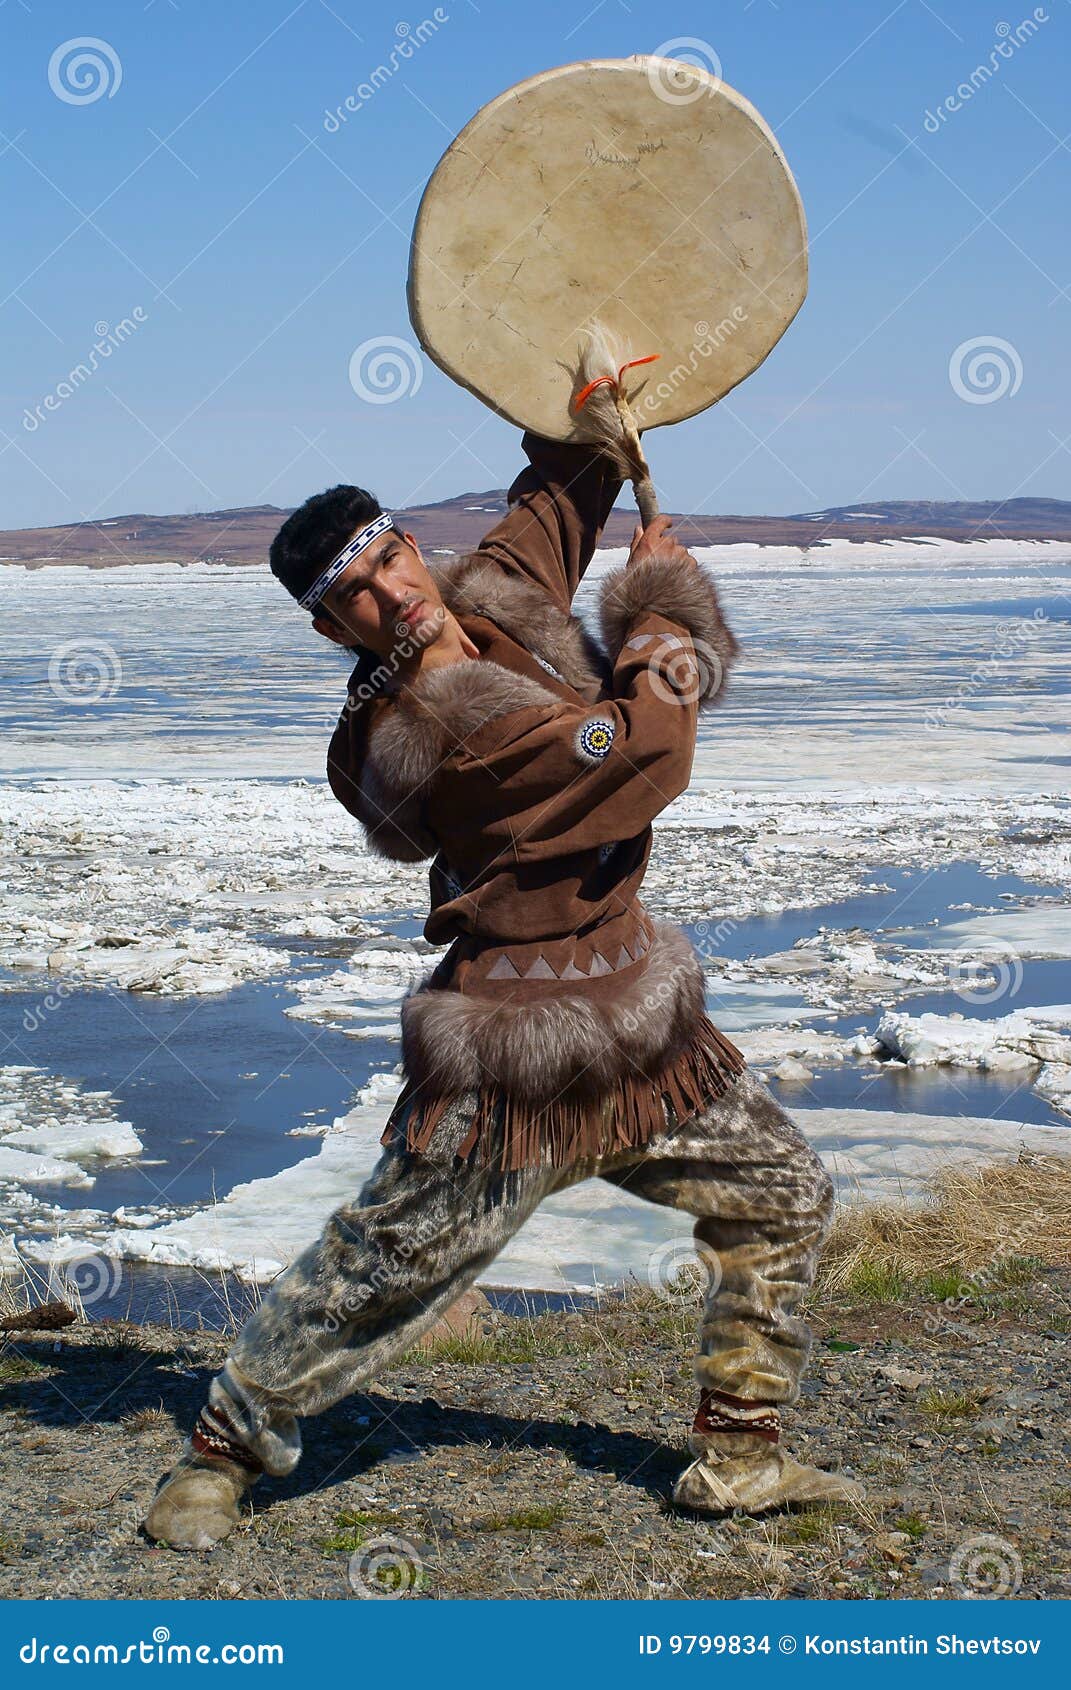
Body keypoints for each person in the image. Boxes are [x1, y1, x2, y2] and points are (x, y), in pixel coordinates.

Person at [144, 433, 859, 1551]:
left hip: (641, 1031)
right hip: (510, 1061)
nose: (390, 596)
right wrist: (660, 608)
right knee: (379, 1265)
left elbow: (557, 500)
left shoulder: (488, 594)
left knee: (781, 1194)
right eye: (354, 597)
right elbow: (642, 751)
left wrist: (591, 415)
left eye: (388, 559)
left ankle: (738, 1454)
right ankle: (223, 1453)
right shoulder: (416, 739)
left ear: (408, 544)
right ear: (333, 630)